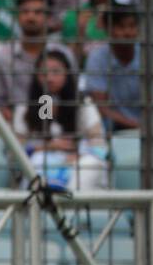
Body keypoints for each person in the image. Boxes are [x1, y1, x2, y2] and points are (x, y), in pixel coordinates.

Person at [13, 49, 107, 190]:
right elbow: (16, 152)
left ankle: (69, 207)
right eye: (44, 73)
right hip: (42, 163)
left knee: (89, 165)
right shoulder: (25, 108)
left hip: (78, 162)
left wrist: (79, 155)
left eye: (56, 72)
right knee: (38, 162)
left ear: (67, 74)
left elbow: (99, 146)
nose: (49, 78)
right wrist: (47, 147)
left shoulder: (83, 104)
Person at [0, 0, 75, 121]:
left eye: (38, 12)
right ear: (17, 17)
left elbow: (72, 95)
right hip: (14, 125)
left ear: (49, 18)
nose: (31, 17)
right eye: (25, 12)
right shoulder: (2, 56)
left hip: (57, 121)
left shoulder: (64, 54)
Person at [81, 5, 147, 133]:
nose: (128, 32)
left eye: (132, 26)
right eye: (121, 27)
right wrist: (136, 126)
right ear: (108, 29)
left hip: (149, 125)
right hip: (114, 127)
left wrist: (148, 124)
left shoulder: (148, 54)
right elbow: (102, 108)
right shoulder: (97, 58)